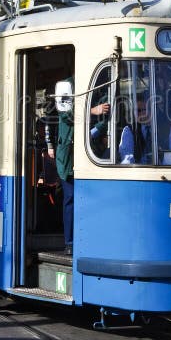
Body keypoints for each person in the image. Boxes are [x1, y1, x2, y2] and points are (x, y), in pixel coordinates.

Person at [48, 77, 109, 255]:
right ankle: (70, 242)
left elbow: (105, 119)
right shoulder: (67, 85)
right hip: (68, 157)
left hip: (91, 153)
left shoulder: (103, 81)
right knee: (71, 197)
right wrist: (92, 111)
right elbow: (65, 114)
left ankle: (90, 239)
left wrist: (89, 134)